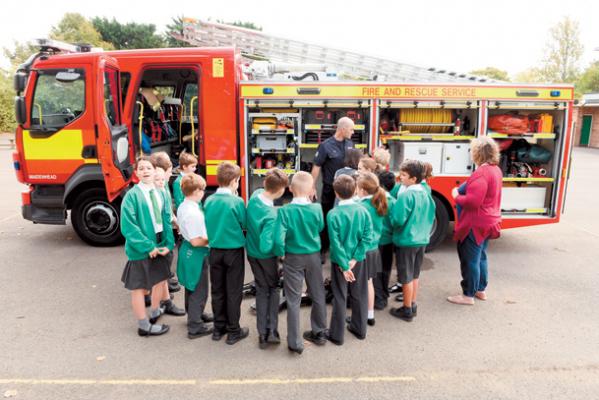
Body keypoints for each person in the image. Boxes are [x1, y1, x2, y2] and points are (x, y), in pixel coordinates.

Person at [120, 156, 175, 337]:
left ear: (154, 170)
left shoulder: (161, 192)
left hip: (160, 243)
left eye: (148, 168)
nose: (145, 171)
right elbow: (128, 227)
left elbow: (166, 219)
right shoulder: (132, 196)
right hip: (141, 248)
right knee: (139, 287)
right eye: (141, 168)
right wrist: (148, 246)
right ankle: (143, 325)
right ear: (136, 173)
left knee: (159, 279)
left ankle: (155, 311)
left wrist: (169, 243)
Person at [273, 171, 326, 354]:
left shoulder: (284, 211)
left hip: (293, 257)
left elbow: (278, 239)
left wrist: (281, 254)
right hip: (313, 256)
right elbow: (320, 227)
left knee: (293, 299)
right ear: (312, 190)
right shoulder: (317, 209)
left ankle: (294, 342)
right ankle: (319, 331)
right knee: (317, 294)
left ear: (290, 189)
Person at [448, 137, 502, 306]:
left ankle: (468, 295)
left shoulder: (482, 173)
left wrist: (456, 196)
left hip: (475, 223)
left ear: (478, 153)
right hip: (489, 221)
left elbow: (473, 202)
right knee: (481, 257)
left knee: (470, 259)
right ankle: (480, 289)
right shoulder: (495, 170)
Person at [204, 161, 249, 345]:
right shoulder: (237, 201)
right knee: (233, 291)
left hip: (214, 250)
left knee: (217, 290)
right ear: (233, 182)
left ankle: (218, 327)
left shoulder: (209, 200)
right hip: (233, 251)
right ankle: (233, 330)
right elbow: (244, 223)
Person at [326, 175, 372, 344]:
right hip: (358, 261)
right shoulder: (363, 211)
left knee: (339, 295)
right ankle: (360, 329)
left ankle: (337, 335)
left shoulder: (333, 214)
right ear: (355, 191)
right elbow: (367, 237)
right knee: (359, 293)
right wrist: (355, 258)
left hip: (340, 262)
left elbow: (335, 243)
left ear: (336, 193)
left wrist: (345, 265)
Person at [246, 169, 289, 349]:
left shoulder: (255, 196)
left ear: (264, 183)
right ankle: (272, 331)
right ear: (281, 191)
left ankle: (262, 334)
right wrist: (281, 252)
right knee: (273, 289)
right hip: (266, 258)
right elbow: (267, 245)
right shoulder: (272, 215)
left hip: (251, 253)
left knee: (261, 290)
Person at [389, 160, 436, 322]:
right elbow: (431, 216)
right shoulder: (426, 193)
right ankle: (413, 303)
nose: (400, 177)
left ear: (413, 178)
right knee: (415, 275)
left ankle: (407, 309)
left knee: (406, 277)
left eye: (403, 175)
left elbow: (397, 220)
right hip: (421, 239)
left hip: (406, 240)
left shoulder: (406, 195)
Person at [176, 173, 213, 339]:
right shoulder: (194, 213)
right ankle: (195, 326)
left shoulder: (184, 206)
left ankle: (194, 313)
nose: (203, 193)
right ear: (197, 191)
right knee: (200, 290)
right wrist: (213, 238)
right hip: (196, 253)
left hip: (187, 250)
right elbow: (197, 241)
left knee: (191, 286)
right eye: (203, 190)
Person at [311, 117, 355, 255]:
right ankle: (323, 249)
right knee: (327, 218)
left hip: (347, 189)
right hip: (330, 190)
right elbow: (316, 166)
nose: (353, 132)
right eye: (351, 129)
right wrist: (311, 187)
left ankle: (340, 248)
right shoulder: (325, 146)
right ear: (343, 129)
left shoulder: (350, 144)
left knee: (344, 219)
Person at [152, 166, 186, 318]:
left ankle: (166, 302)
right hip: (157, 239)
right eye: (157, 179)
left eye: (162, 179)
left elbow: (168, 214)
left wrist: (177, 224)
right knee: (159, 273)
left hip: (166, 237)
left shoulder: (163, 192)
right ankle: (157, 306)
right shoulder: (150, 195)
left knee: (164, 271)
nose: (161, 182)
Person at [356, 172, 388, 325]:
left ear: (362, 190)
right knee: (369, 283)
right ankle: (370, 315)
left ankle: (359, 316)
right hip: (374, 249)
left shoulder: (360, 207)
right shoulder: (378, 203)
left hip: (362, 250)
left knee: (358, 285)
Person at [150, 151, 181, 294]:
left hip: (166, 228)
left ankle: (166, 280)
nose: (170, 176)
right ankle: (161, 285)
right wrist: (175, 221)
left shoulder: (163, 186)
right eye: (169, 172)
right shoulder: (157, 188)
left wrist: (175, 221)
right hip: (161, 229)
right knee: (165, 256)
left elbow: (168, 207)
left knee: (168, 255)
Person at [374, 171, 397, 308]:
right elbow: (395, 222)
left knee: (376, 270)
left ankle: (378, 298)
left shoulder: (375, 200)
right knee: (386, 269)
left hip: (377, 240)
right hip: (389, 240)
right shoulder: (393, 201)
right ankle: (384, 295)